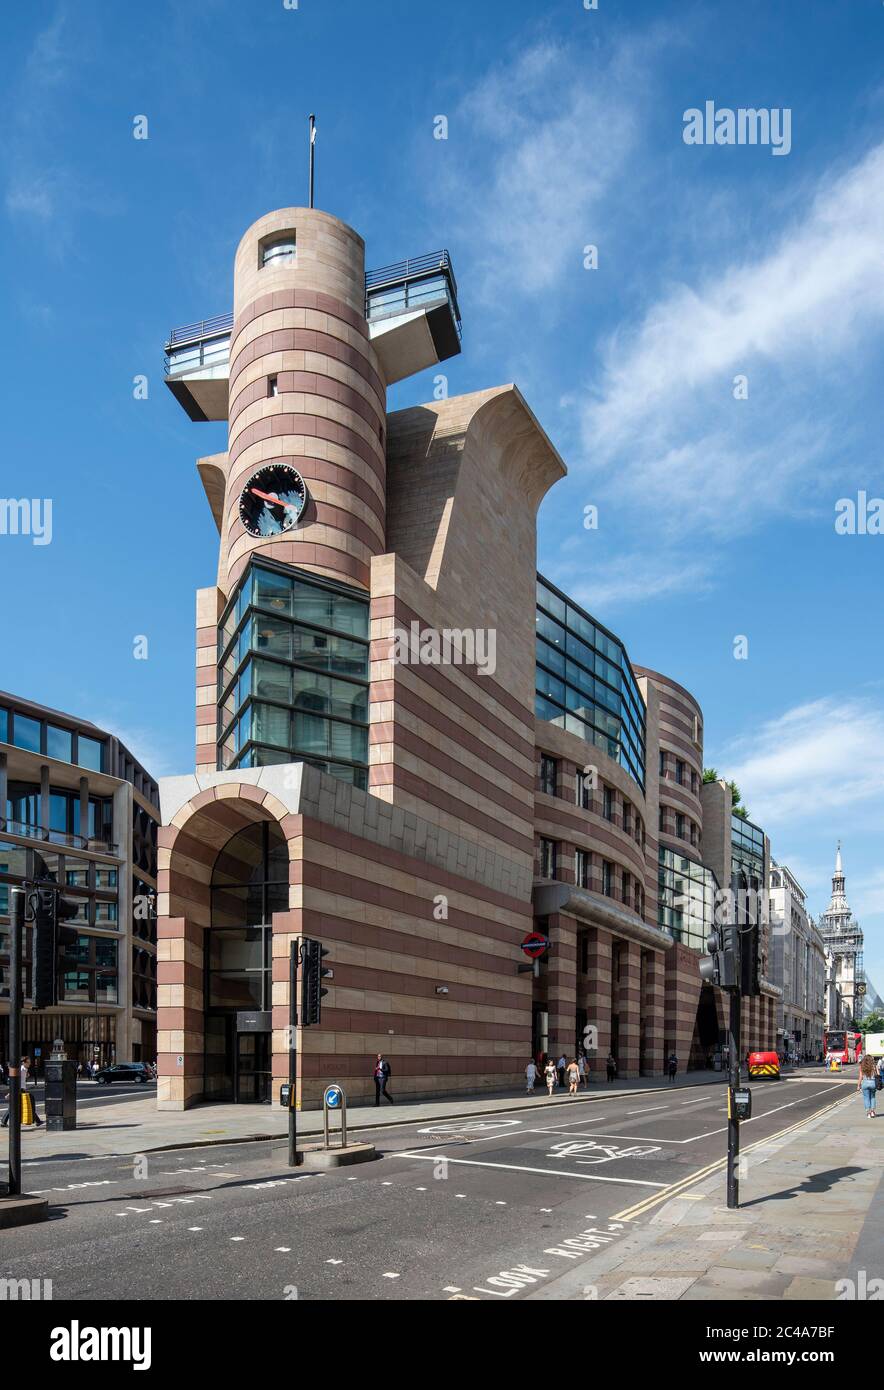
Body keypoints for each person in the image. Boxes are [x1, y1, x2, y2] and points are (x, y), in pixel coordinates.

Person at [1, 1057, 43, 1128]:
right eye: (28, 1062)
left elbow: (24, 1077)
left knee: (24, 1105)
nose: (29, 1064)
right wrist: (10, 1093)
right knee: (26, 1104)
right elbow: (15, 1082)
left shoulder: (25, 1069)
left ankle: (3, 1121)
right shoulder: (20, 1069)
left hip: (22, 1089)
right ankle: (38, 1121)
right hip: (19, 1090)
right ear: (24, 1063)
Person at [858, 1053, 877, 1119]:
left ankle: (868, 1113)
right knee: (873, 1097)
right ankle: (872, 1112)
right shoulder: (873, 1066)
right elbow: (878, 1074)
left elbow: (860, 1077)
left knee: (866, 1098)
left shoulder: (862, 1066)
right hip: (873, 1083)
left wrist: (858, 1085)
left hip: (865, 1083)